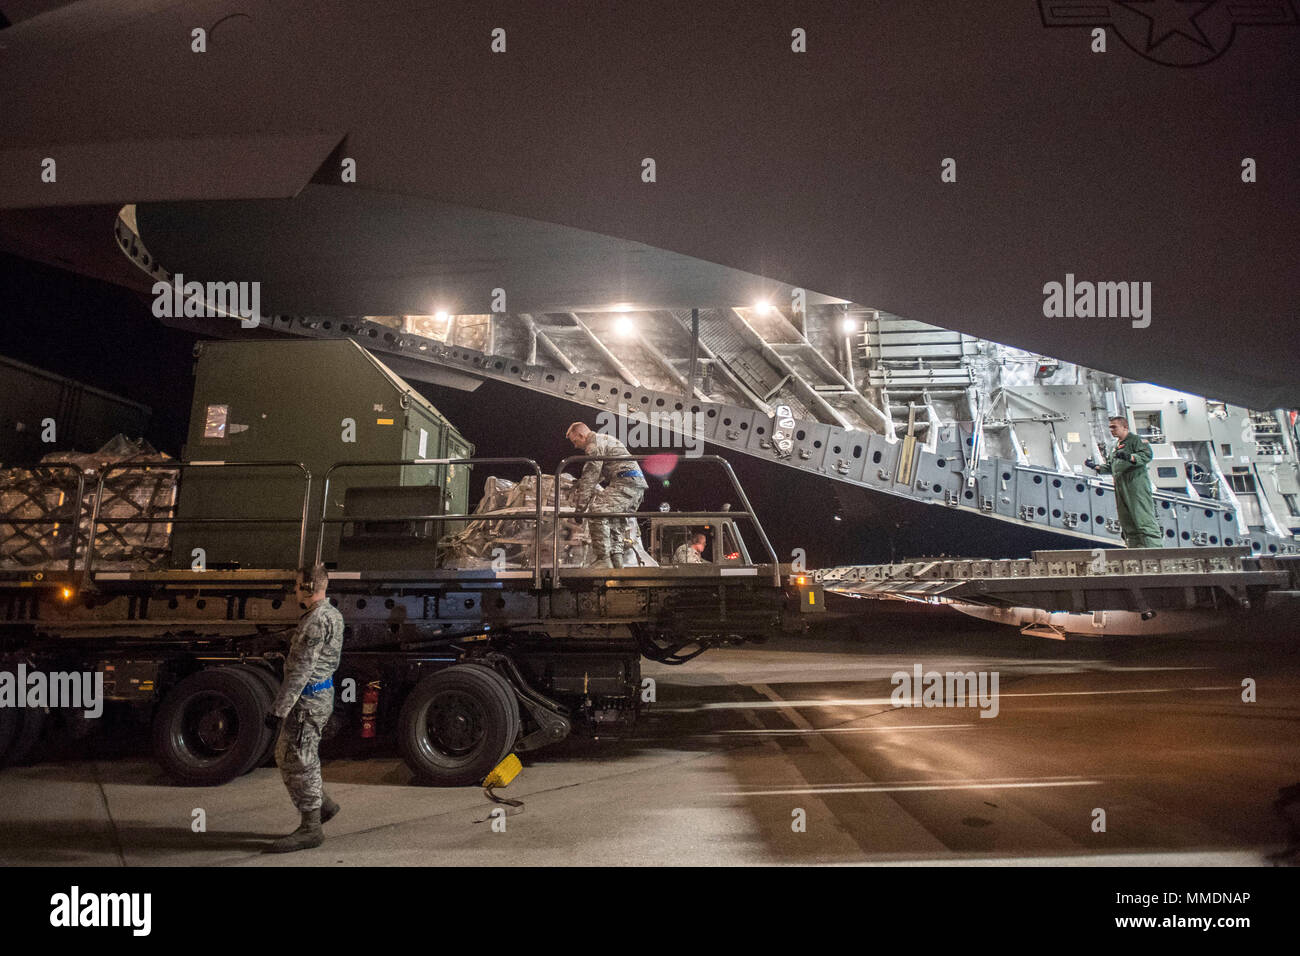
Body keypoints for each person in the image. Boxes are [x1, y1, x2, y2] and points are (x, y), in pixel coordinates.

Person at [264, 564, 345, 853]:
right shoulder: (332, 614)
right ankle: (323, 806)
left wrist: (279, 710)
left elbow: (301, 670)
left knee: (299, 759)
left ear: (309, 587)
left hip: (307, 702)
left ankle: (311, 827)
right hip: (319, 696)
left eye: (298, 585)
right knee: (290, 755)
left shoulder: (315, 621)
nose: (295, 590)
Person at [566, 421, 648, 568]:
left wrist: (579, 510)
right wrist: (580, 482)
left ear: (581, 435)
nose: (575, 445)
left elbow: (590, 477)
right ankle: (617, 563)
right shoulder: (604, 440)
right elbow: (599, 473)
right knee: (615, 522)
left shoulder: (594, 446)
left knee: (596, 512)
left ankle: (603, 559)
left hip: (625, 483)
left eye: (575, 441)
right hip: (636, 485)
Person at [1085, 416, 1163, 548]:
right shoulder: (1115, 446)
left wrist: (1130, 457)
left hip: (1135, 486)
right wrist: (1095, 467)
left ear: (1125, 427)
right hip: (1121, 487)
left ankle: (1154, 549)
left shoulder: (1136, 440)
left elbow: (1146, 455)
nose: (1111, 430)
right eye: (1110, 427)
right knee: (1127, 520)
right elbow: (1111, 466)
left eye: (1114, 427)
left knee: (1143, 518)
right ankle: (1135, 549)